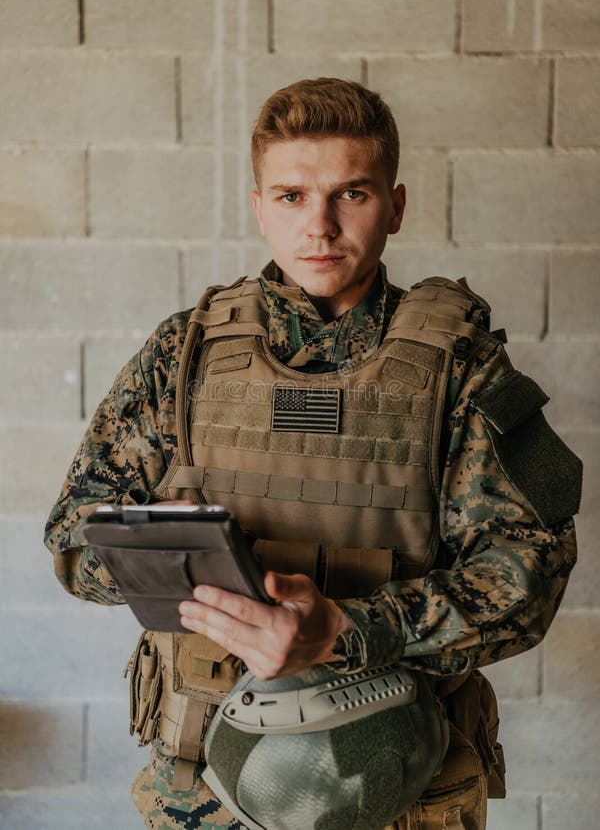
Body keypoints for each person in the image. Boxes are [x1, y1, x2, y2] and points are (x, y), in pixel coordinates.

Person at [45, 78, 581, 830]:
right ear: (260, 206)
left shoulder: (463, 365)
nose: (320, 226)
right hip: (207, 790)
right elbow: (74, 538)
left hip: (400, 784)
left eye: (350, 194)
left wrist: (347, 629)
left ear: (395, 205)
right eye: (292, 196)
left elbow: (529, 573)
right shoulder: (183, 354)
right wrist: (200, 569)